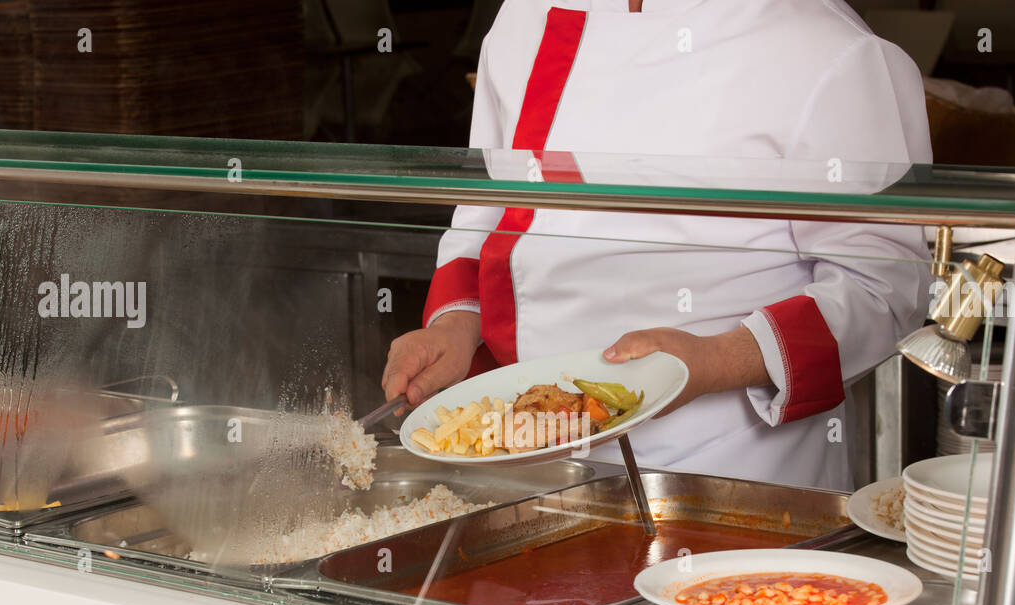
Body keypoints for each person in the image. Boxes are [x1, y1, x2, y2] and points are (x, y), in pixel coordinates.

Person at [382, 0, 932, 490]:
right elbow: (486, 207)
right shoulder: (522, 16)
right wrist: (455, 323)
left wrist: (715, 361)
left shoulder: (829, 48)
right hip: (527, 461)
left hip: (733, 474)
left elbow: (883, 290)